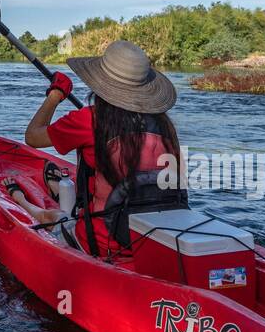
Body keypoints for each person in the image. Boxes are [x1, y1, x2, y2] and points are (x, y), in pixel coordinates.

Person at [20, 40, 183, 257]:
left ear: (102, 82)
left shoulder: (89, 119)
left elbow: (32, 137)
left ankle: (20, 200)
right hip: (155, 239)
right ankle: (57, 188)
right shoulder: (165, 126)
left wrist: (55, 96)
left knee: (53, 216)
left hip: (101, 241)